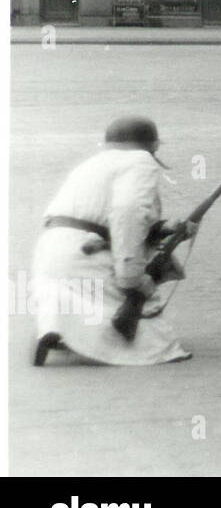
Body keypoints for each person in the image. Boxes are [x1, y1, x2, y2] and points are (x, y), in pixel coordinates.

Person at [31, 116, 195, 366]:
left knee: (73, 297)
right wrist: (132, 279)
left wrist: (165, 228)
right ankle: (98, 340)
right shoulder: (141, 161)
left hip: (52, 251)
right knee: (151, 333)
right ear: (153, 146)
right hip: (83, 256)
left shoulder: (92, 164)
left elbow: (103, 218)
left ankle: (58, 329)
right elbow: (128, 214)